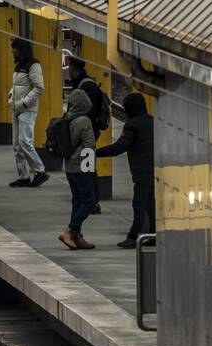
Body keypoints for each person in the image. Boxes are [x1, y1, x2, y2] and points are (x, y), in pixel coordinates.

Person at [96, 92, 154, 248]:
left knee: (139, 204)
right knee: (150, 204)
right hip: (156, 171)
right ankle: (154, 234)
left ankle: (133, 237)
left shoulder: (132, 125)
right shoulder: (153, 121)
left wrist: (96, 153)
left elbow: (119, 147)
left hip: (142, 173)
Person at [67, 57, 107, 214]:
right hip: (84, 129)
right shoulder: (82, 82)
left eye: (69, 66)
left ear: (74, 68)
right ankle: (86, 199)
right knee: (85, 167)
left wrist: (79, 124)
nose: (68, 69)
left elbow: (89, 108)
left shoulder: (86, 85)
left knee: (88, 167)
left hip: (87, 132)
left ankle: (92, 201)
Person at [59, 89, 98, 250]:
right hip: (83, 165)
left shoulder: (67, 118)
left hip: (70, 166)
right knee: (90, 201)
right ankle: (71, 230)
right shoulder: (84, 121)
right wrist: (91, 167)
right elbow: (90, 145)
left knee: (77, 199)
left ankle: (76, 237)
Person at [8, 37, 49, 187]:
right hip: (17, 108)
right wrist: (11, 98)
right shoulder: (19, 65)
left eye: (14, 48)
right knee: (17, 145)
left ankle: (40, 171)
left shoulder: (34, 65)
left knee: (25, 141)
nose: (12, 51)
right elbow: (16, 85)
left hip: (27, 109)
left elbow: (39, 87)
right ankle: (23, 176)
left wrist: (24, 102)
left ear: (21, 49)